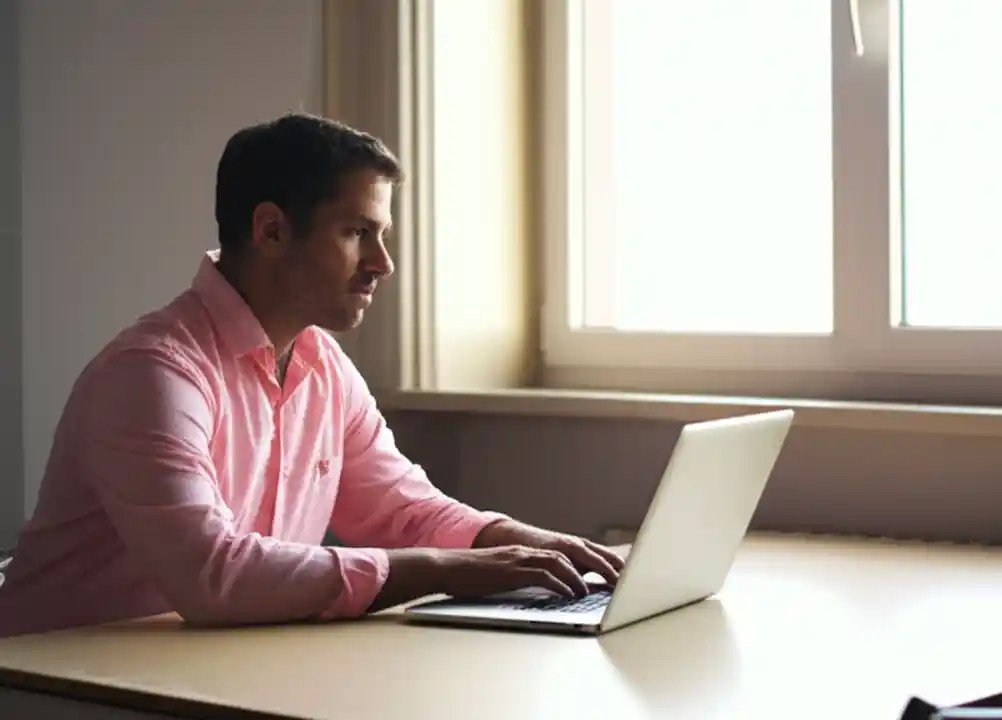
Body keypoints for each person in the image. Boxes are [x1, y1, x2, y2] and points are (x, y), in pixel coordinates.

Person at [0, 113, 623, 637]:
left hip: (202, 671)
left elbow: (401, 510)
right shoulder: (151, 373)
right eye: (357, 233)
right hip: (53, 684)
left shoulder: (323, 365)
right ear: (271, 229)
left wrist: (517, 542)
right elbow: (214, 577)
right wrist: (443, 569)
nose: (384, 264)